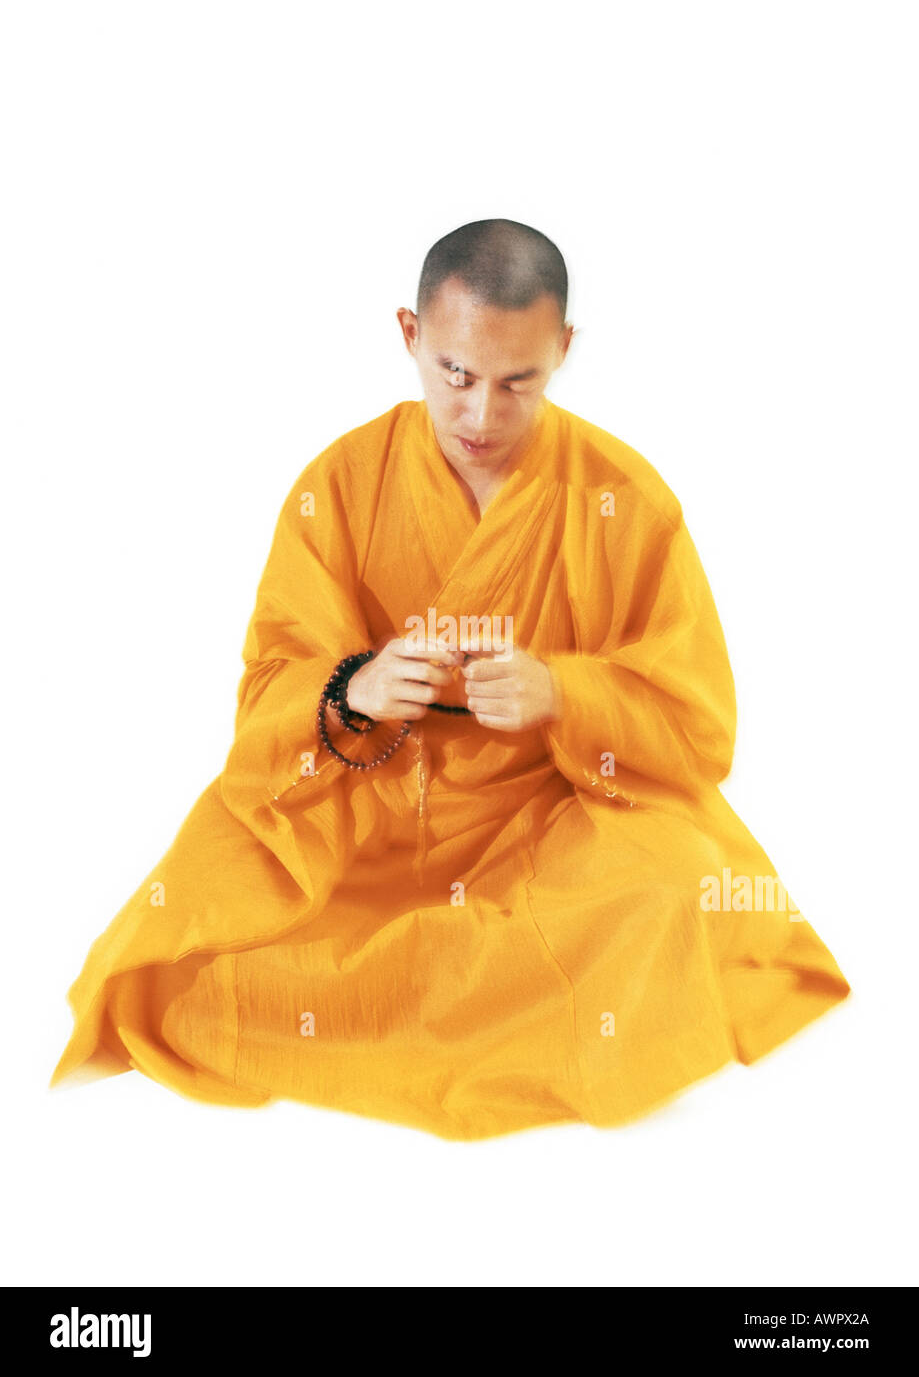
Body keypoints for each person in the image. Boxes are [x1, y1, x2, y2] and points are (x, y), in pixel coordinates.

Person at [49, 218, 851, 1141]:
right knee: (187, 936)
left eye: (519, 382)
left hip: (549, 814)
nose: (481, 417)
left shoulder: (623, 498)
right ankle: (459, 1012)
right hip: (371, 808)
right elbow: (268, 690)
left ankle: (417, 1016)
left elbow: (697, 726)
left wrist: (565, 695)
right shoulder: (342, 484)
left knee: (677, 885)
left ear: (563, 350)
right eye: (456, 376)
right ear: (409, 336)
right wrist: (353, 687)